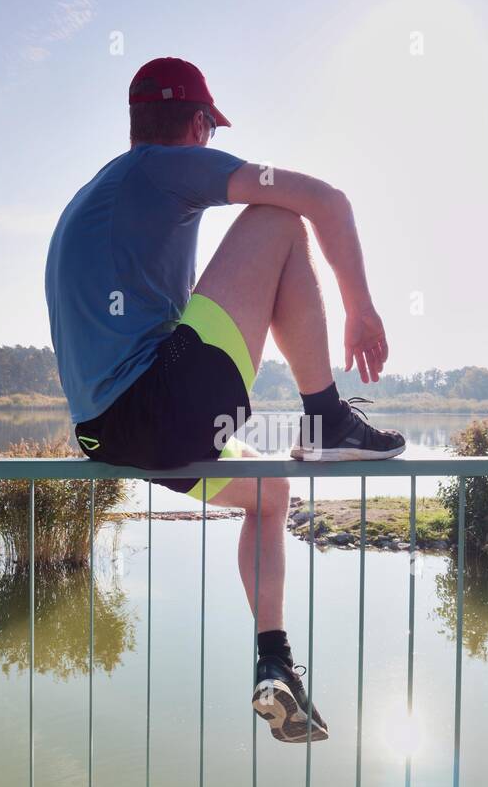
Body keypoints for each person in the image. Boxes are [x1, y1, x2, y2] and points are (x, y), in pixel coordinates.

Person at [45, 57, 405, 744]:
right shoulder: (160, 166)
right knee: (280, 219)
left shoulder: (98, 196)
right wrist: (360, 308)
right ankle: (325, 416)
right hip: (156, 405)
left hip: (108, 433)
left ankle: (276, 666)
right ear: (199, 123)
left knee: (269, 493)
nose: (212, 143)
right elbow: (328, 199)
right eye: (210, 128)